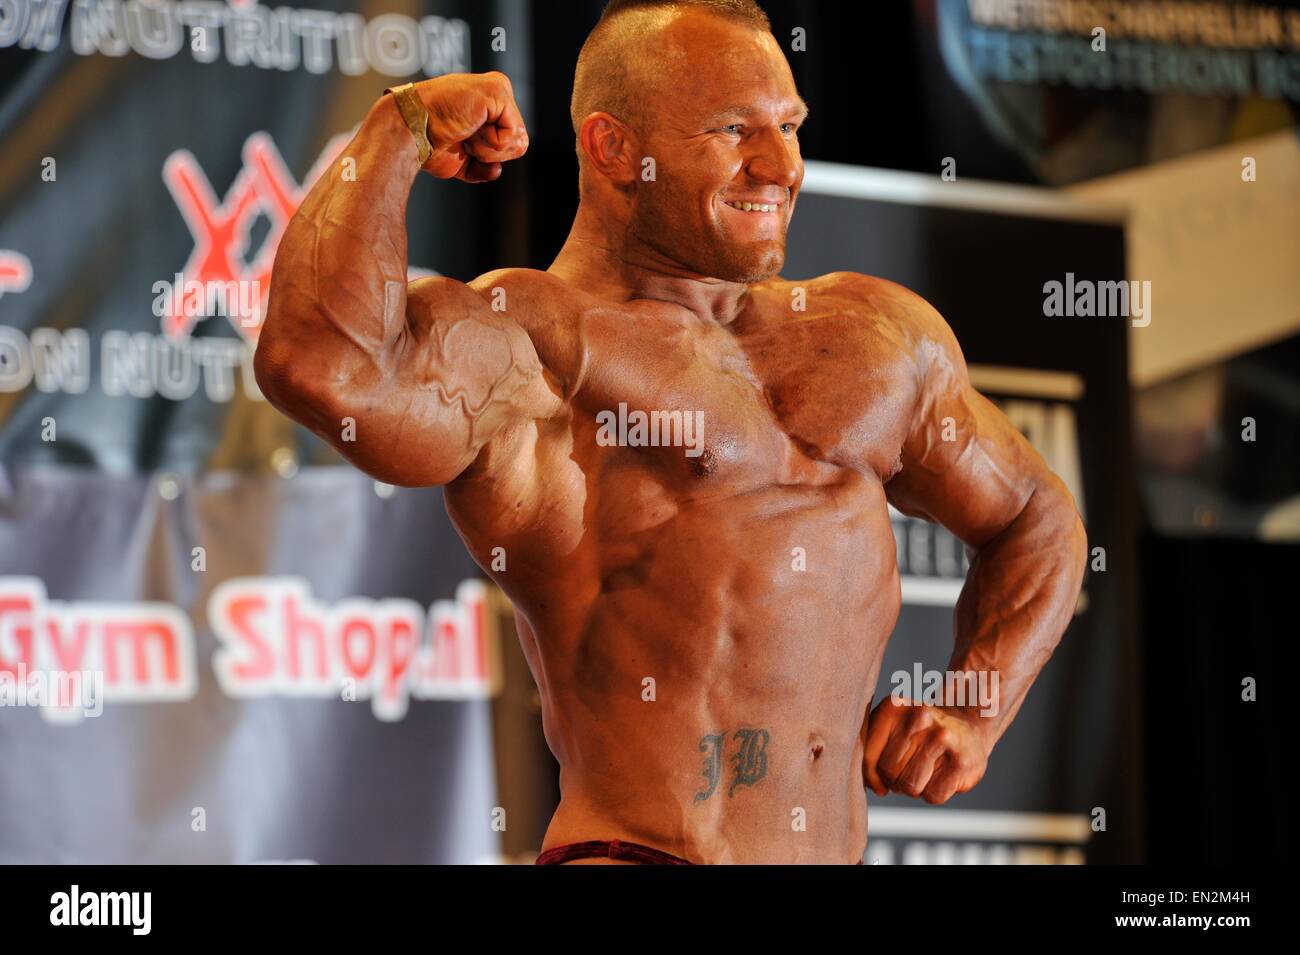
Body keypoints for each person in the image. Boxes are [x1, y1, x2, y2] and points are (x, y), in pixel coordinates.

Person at [254, 0, 1088, 865]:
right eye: (734, 130)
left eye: (790, 125)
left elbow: (1037, 518)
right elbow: (323, 368)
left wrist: (973, 709)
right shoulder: (535, 342)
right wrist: (400, 127)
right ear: (614, 148)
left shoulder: (875, 336)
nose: (781, 166)